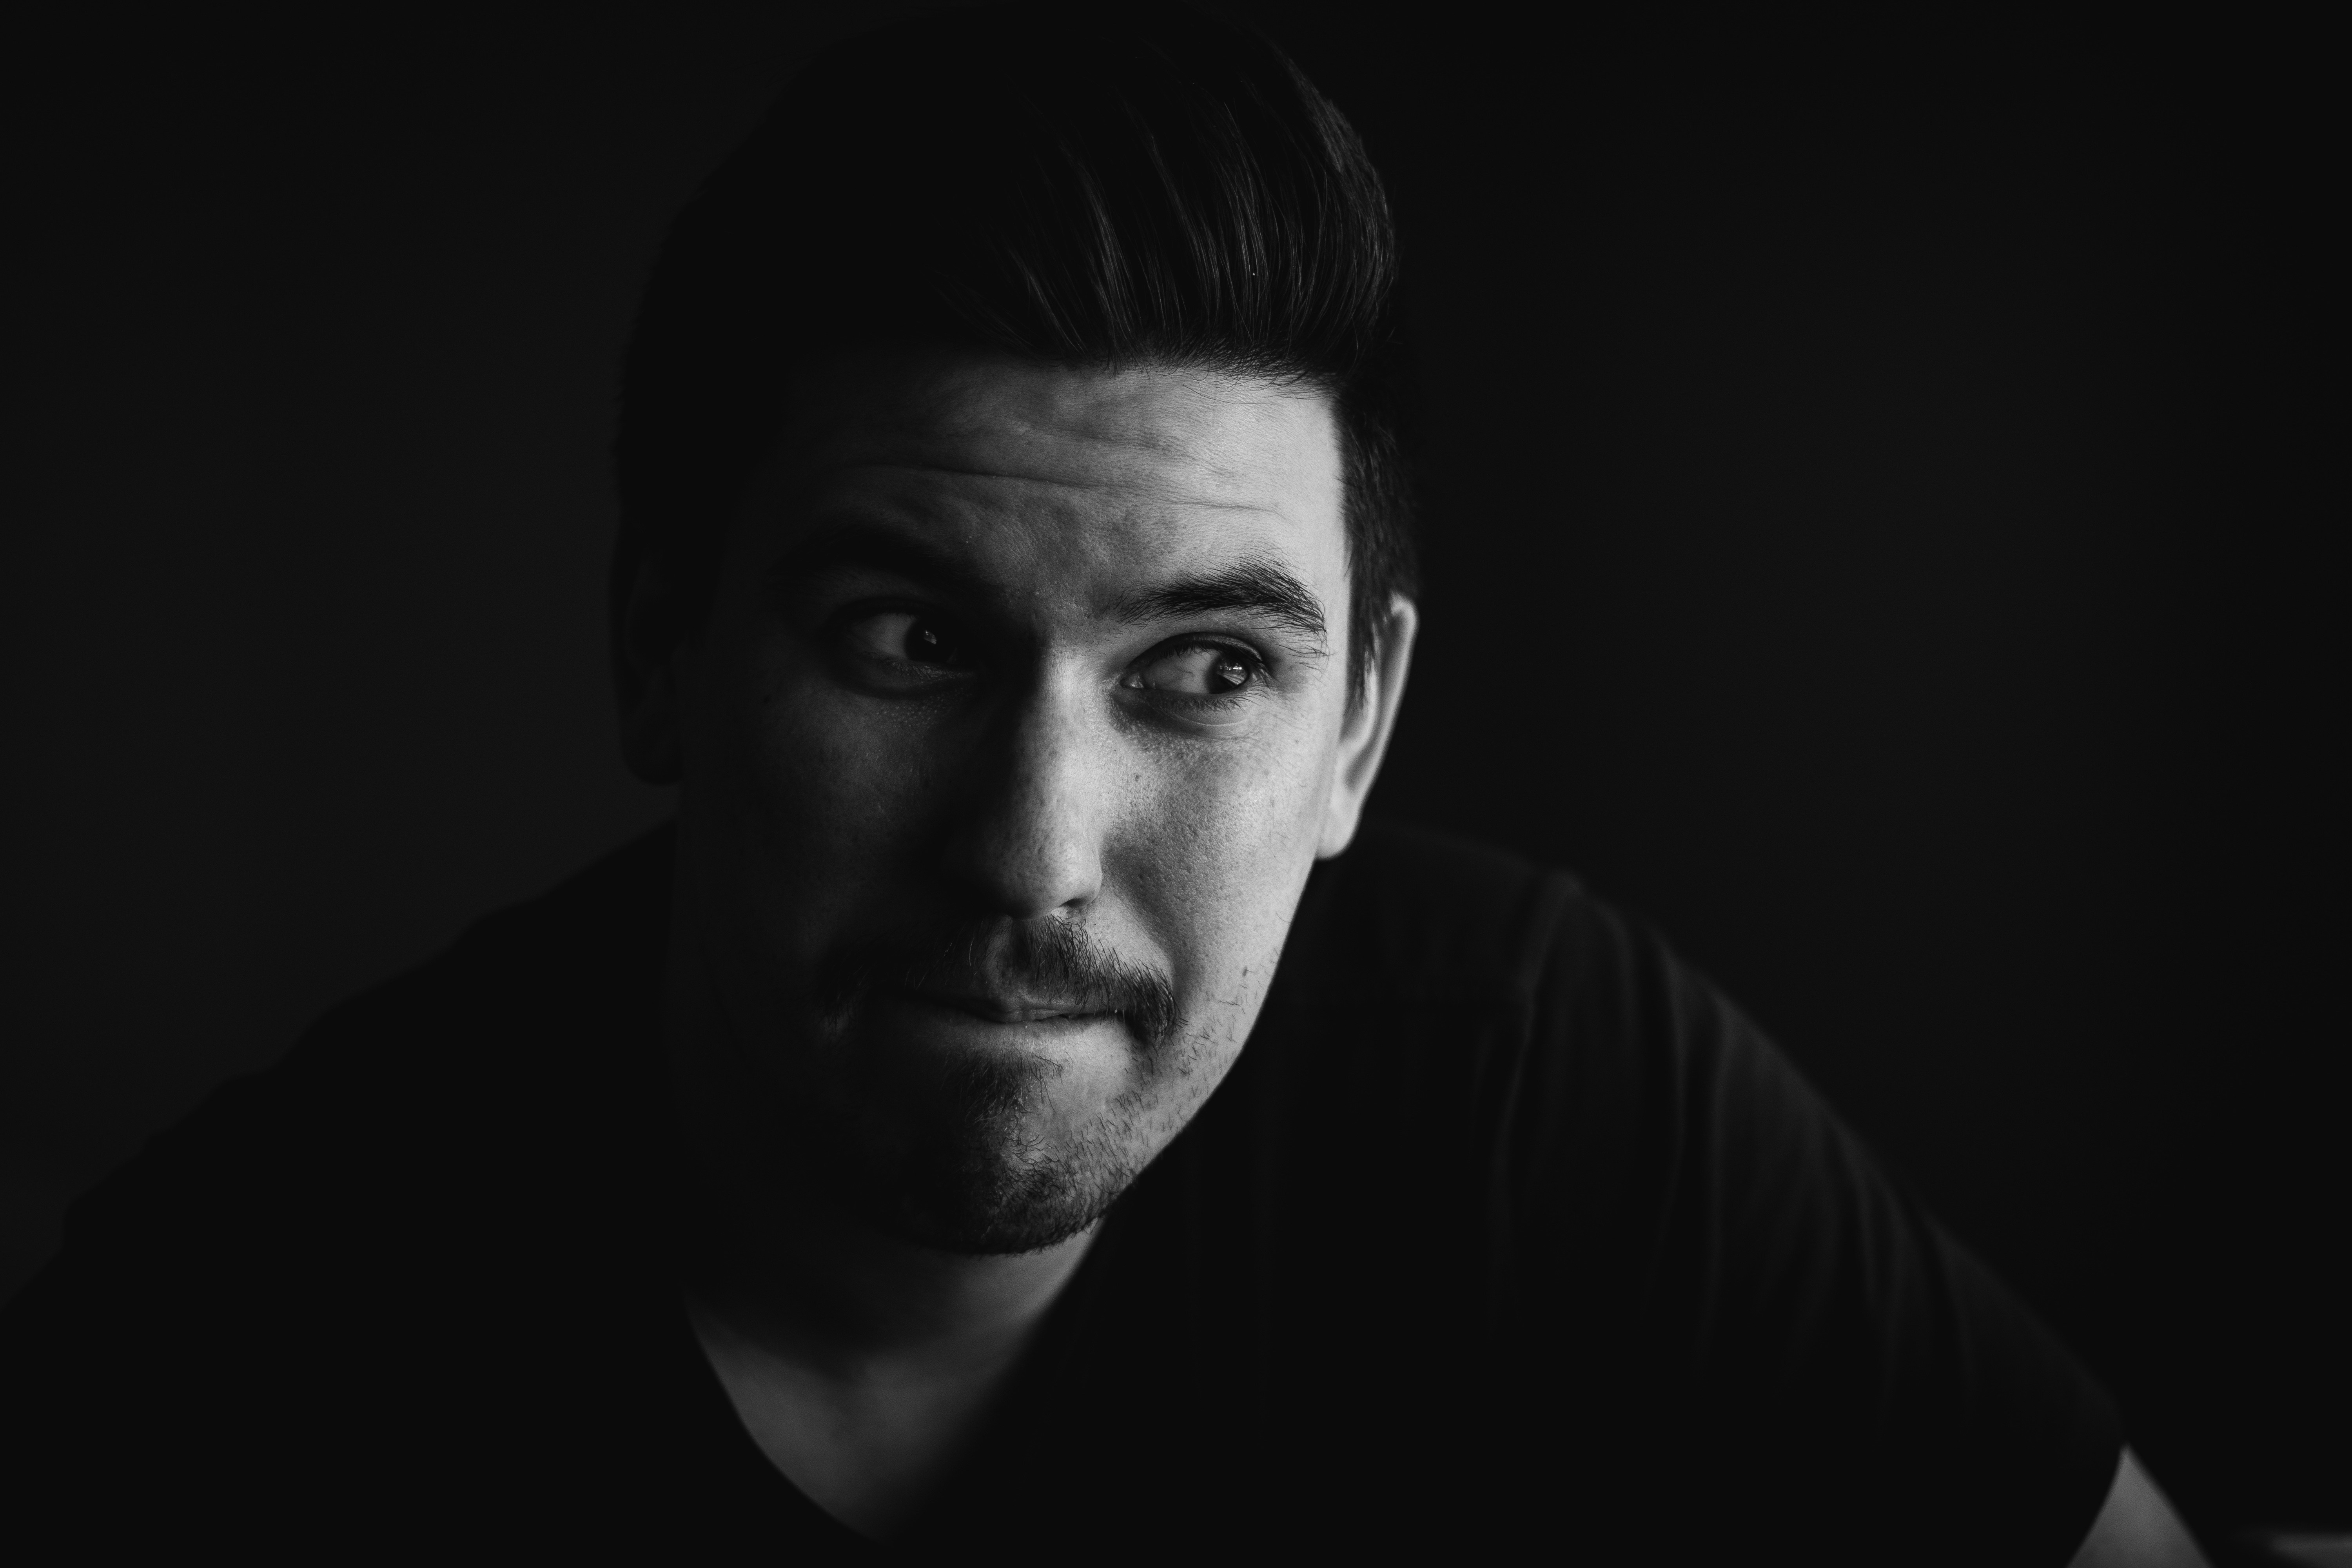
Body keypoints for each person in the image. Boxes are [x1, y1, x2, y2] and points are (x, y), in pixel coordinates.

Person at [0, 7, 2207, 1562]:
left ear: (1358, 732)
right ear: (658, 649)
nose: (1032, 847)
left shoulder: (1543, 1084)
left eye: (1208, 670)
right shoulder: (213, 1374)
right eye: (908, 640)